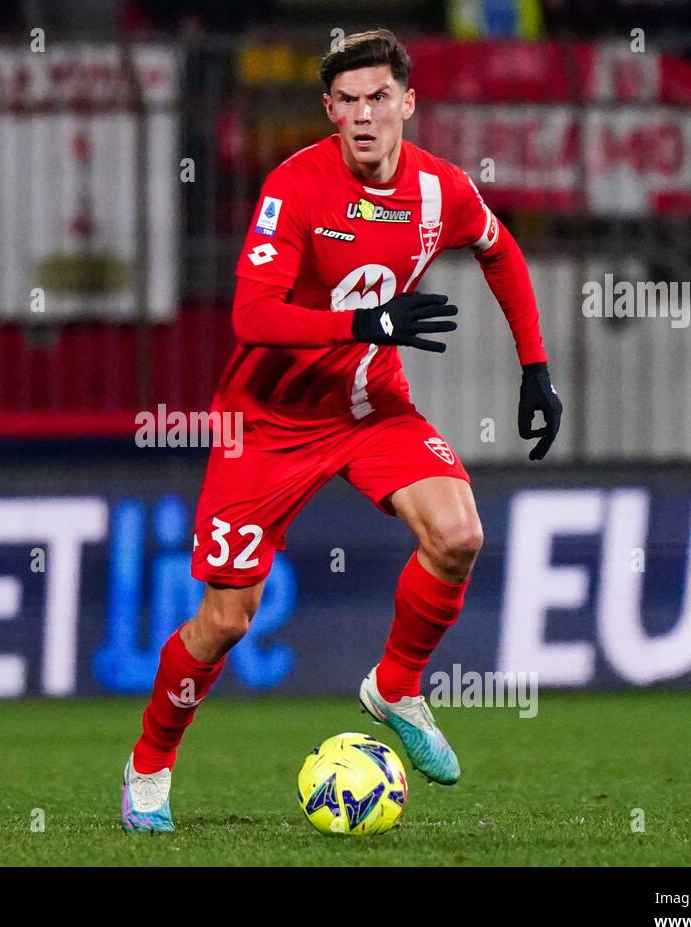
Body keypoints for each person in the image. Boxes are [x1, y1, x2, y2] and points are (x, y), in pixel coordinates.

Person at [120, 28, 562, 832]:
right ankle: (149, 765)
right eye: (349, 102)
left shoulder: (441, 189)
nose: (365, 116)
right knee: (226, 620)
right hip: (268, 422)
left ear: (407, 103)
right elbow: (251, 315)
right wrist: (366, 318)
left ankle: (394, 687)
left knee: (459, 532)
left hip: (370, 410)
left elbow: (500, 251)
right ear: (329, 110)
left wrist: (535, 367)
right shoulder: (295, 186)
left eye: (379, 98)